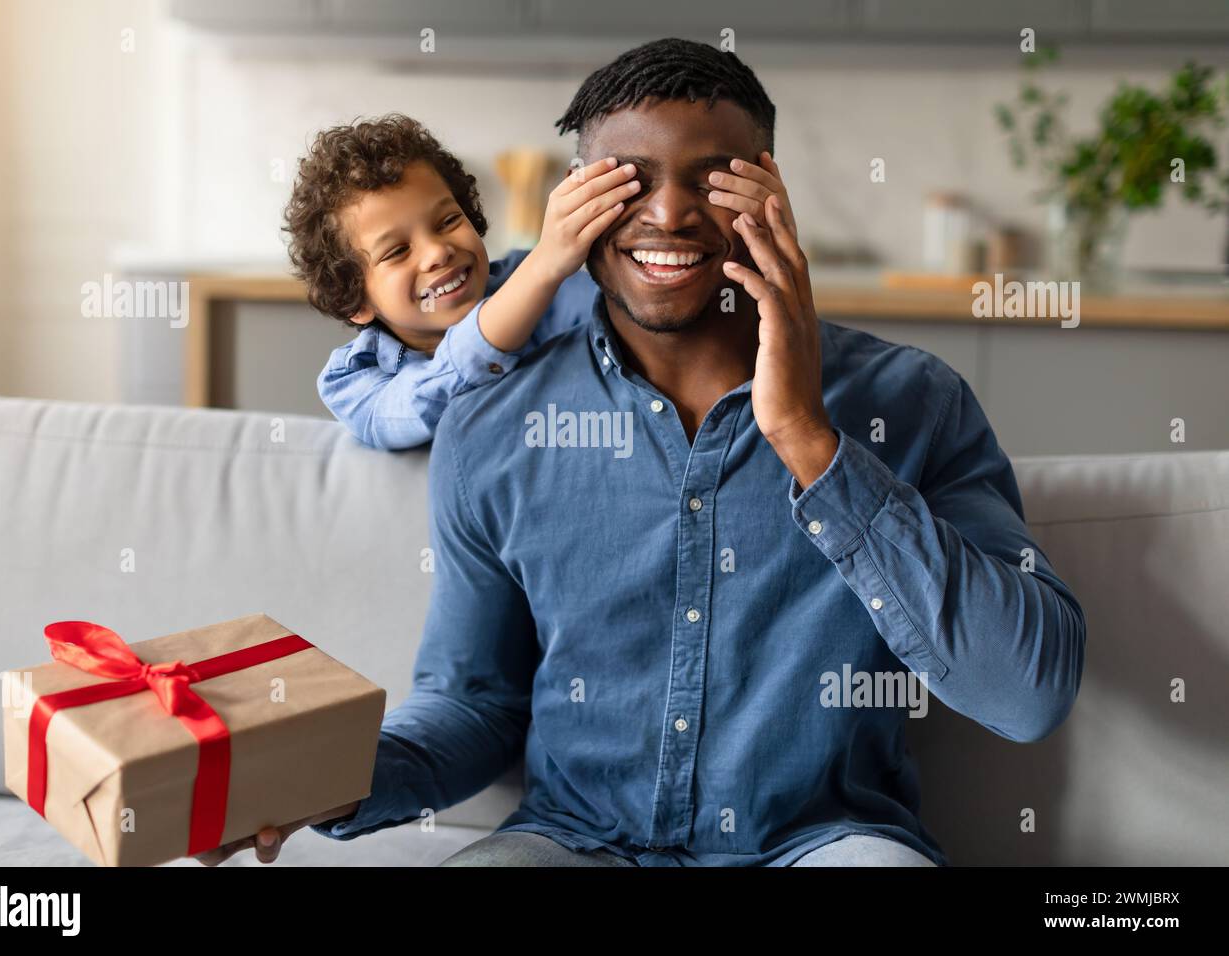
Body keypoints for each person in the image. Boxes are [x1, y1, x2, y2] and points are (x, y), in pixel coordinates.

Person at [201, 37, 1085, 869]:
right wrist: (318, 777)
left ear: (770, 192)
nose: (669, 212)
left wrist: (811, 443)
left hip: (821, 843)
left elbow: (1028, 690)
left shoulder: (913, 402)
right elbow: (477, 705)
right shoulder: (490, 426)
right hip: (572, 841)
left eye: (712, 178)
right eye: (631, 181)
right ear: (577, 203)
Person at [284, 113, 635, 449]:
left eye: (447, 221)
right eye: (397, 251)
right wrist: (542, 267)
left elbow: (628, 322)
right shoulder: (352, 379)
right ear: (356, 300)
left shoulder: (534, 278)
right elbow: (411, 412)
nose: (437, 251)